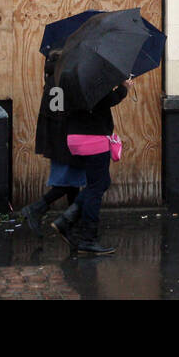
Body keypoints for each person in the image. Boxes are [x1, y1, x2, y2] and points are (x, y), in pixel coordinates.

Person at [52, 78, 132, 255]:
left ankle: (67, 219)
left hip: (75, 136)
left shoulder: (69, 78)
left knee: (101, 183)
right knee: (96, 188)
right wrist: (123, 88)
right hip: (93, 137)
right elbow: (106, 100)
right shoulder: (93, 79)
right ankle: (87, 239)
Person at [18, 51, 85, 236]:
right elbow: (73, 108)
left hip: (57, 136)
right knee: (70, 180)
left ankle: (71, 224)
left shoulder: (52, 79)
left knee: (73, 181)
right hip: (68, 136)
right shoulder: (67, 79)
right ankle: (36, 208)